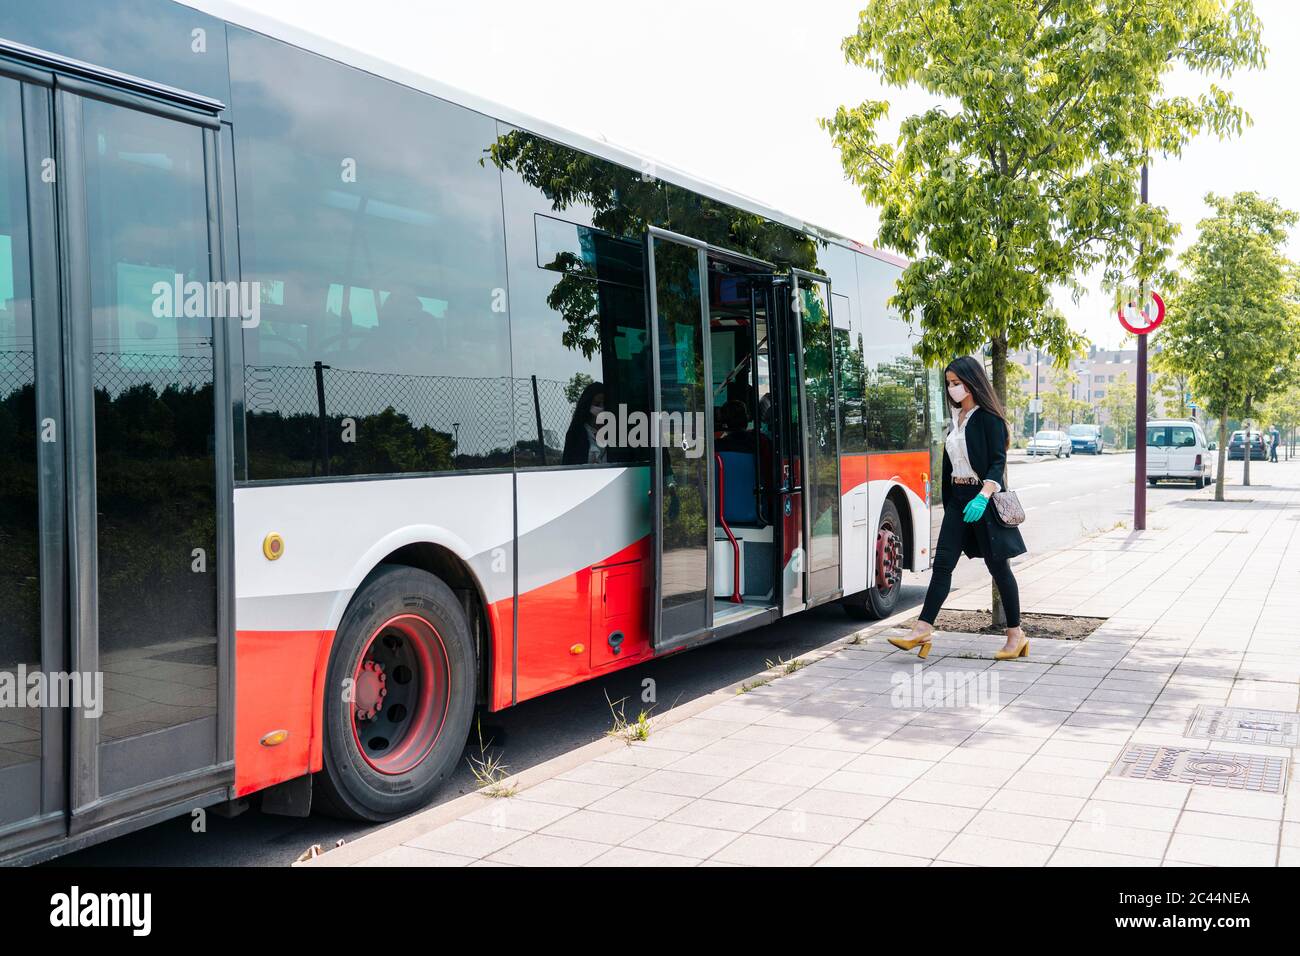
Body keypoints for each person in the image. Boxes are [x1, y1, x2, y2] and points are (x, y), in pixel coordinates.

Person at [889, 356, 1029, 661]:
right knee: (942, 565)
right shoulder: (954, 420)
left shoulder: (988, 418)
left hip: (983, 499)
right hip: (958, 498)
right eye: (949, 383)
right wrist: (951, 498)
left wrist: (985, 494)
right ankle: (923, 628)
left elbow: (997, 460)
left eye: (957, 383)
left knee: (998, 568)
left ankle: (1015, 635)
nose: (952, 388)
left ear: (972, 382)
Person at [561, 381, 608, 465]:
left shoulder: (615, 433)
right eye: (597, 404)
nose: (602, 408)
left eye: (605, 404)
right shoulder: (576, 434)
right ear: (587, 405)